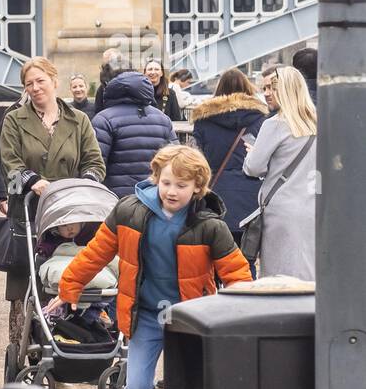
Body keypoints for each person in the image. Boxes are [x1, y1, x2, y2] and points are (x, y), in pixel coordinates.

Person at [49, 146, 251, 389]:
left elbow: (237, 273)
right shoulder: (128, 211)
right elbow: (95, 253)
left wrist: (246, 308)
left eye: (182, 186)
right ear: (156, 178)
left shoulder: (210, 226)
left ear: (198, 188)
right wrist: (68, 287)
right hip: (144, 317)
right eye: (167, 182)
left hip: (191, 319)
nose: (172, 191)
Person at [0, 56, 105, 376]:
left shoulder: (78, 120)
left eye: (40, 81)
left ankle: (71, 350)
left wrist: (83, 186)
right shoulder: (15, 119)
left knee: (69, 277)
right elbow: (10, 164)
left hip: (71, 216)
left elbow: (95, 163)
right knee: (26, 284)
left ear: (54, 81)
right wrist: (33, 181)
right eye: (29, 84)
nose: (34, 88)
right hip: (29, 210)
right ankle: (23, 347)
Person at [243, 66, 317, 280]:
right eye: (264, 88)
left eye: (272, 88)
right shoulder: (319, 123)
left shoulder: (274, 125)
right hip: (313, 207)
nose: (266, 93)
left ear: (286, 90)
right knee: (308, 274)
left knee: (279, 278)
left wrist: (253, 154)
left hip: (281, 210)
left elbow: (253, 168)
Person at [189, 69, 266, 264]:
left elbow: (196, 158)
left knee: (213, 259)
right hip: (250, 195)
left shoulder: (204, 120)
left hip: (215, 194)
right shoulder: (260, 119)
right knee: (245, 260)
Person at [91, 71, 176, 197]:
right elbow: (175, 159)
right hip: (154, 195)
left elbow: (96, 163)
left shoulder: (103, 119)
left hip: (117, 198)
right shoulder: (163, 119)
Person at [91, 48, 131, 115]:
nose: (107, 68)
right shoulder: (102, 89)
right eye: (104, 65)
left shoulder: (134, 84)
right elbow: (98, 112)